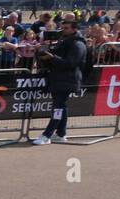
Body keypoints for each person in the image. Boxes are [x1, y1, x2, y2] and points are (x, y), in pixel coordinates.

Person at [31, 16, 88, 145]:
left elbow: (71, 63)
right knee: (61, 106)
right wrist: (43, 54)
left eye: (66, 28)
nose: (63, 30)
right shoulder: (65, 41)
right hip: (59, 78)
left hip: (68, 79)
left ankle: (47, 135)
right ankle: (61, 134)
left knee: (58, 107)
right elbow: (57, 57)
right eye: (63, 27)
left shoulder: (78, 44)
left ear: (74, 29)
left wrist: (53, 58)